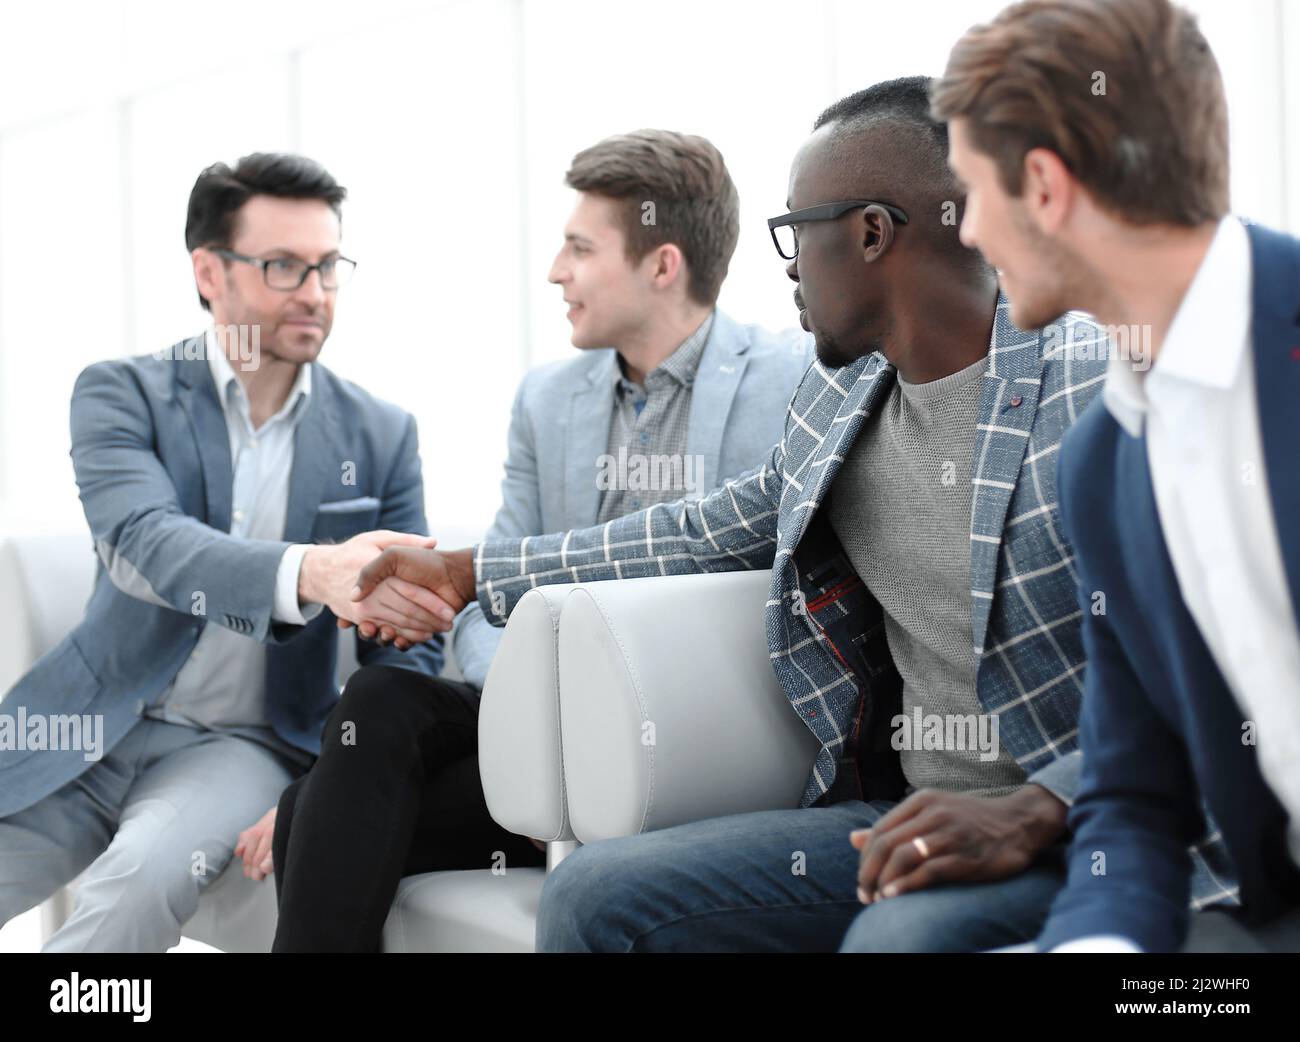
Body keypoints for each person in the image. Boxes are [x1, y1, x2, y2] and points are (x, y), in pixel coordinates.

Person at [352, 79, 1206, 953]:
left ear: (872, 232)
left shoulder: (1096, 387)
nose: (790, 266)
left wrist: (1035, 809)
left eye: (797, 231)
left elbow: (1215, 667)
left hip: (1096, 829)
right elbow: (703, 530)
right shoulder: (838, 399)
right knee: (592, 896)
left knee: (894, 945)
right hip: (901, 823)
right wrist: (466, 573)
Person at [270, 129, 811, 952]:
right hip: (540, 722)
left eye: (579, 248)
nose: (557, 271)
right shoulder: (548, 399)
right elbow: (494, 599)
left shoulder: (788, 378)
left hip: (685, 737)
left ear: (662, 265)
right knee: (375, 707)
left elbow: (749, 569)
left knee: (307, 812)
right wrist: (538, 722)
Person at [0, 153, 442, 952]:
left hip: (240, 747)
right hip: (88, 720)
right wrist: (314, 571)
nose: (313, 292)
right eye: (282, 266)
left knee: (134, 882)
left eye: (328, 266)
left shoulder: (380, 434)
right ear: (210, 271)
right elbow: (145, 543)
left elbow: (411, 656)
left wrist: (325, 788)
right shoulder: (124, 392)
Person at [934, 0, 1300, 953]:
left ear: (1045, 187)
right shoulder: (1101, 463)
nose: (969, 231)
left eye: (971, 190)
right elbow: (1134, 800)